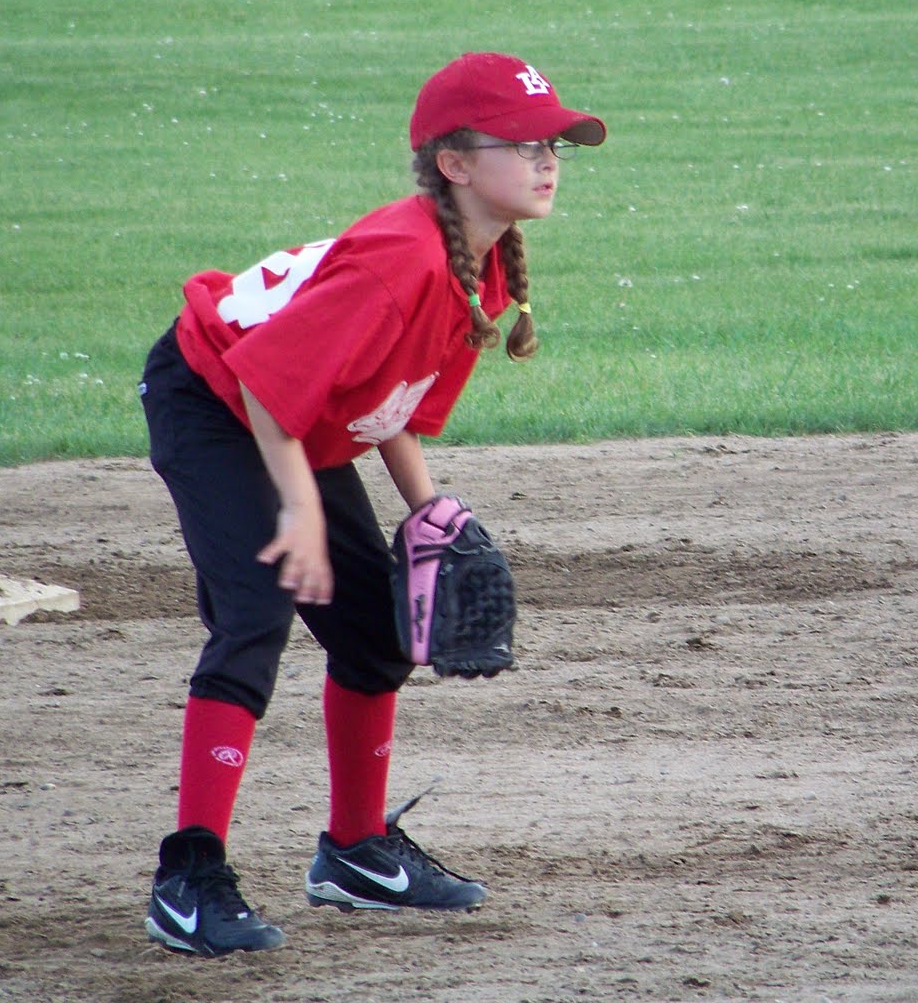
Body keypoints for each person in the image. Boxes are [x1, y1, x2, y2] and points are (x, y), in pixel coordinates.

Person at [136, 52, 606, 957]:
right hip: (217, 399)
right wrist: (302, 511)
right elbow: (266, 385)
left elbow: (386, 397)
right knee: (258, 612)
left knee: (372, 632)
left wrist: (427, 510)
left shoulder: (482, 262)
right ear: (454, 164)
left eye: (556, 143)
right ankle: (188, 877)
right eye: (523, 143)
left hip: (289, 413)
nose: (547, 160)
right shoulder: (402, 259)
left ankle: (354, 851)